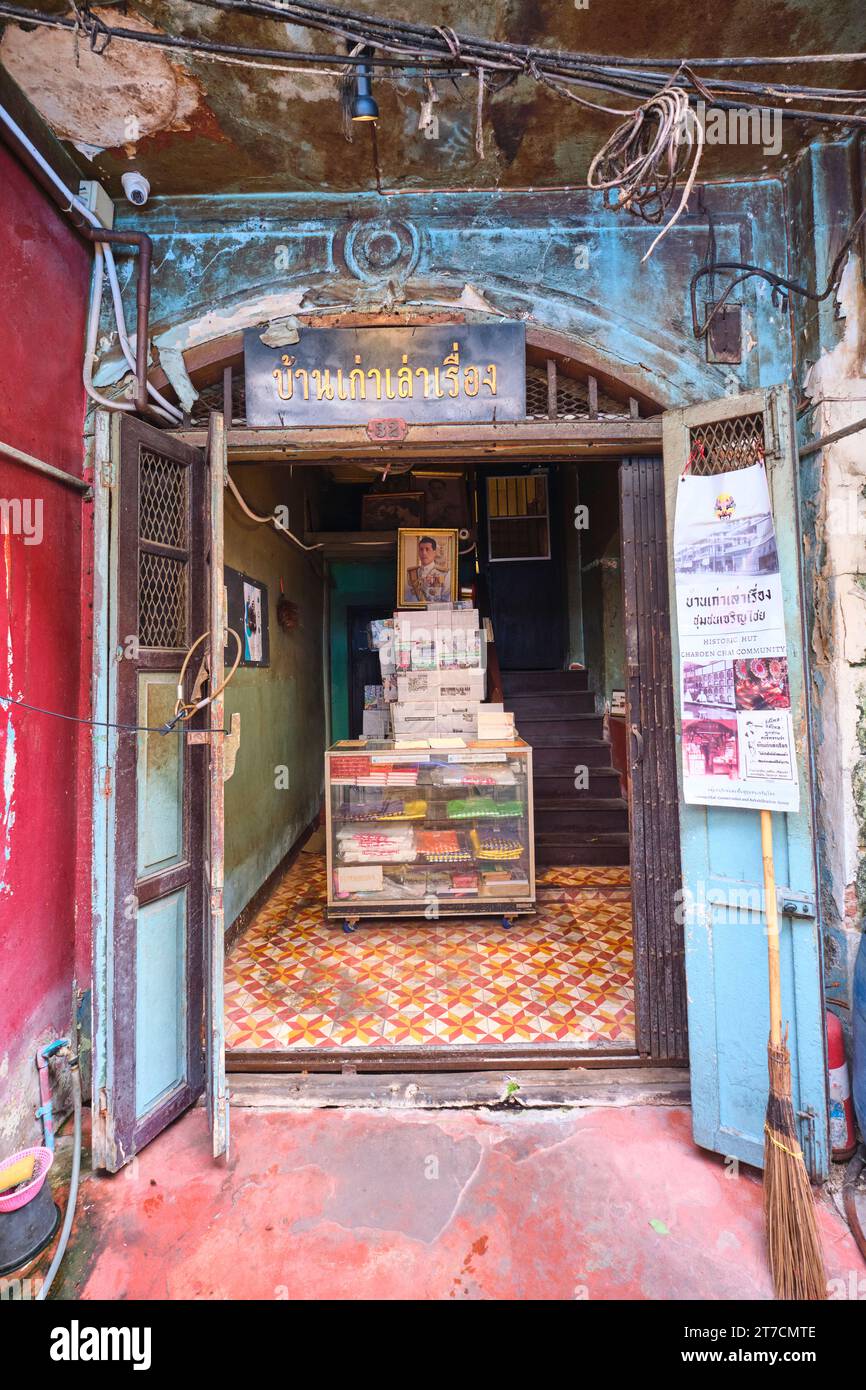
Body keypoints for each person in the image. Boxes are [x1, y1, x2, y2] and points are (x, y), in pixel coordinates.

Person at [406, 535, 451, 603]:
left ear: (434, 552)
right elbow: (407, 599)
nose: (424, 553)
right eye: (421, 549)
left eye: (427, 549)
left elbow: (447, 601)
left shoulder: (445, 573)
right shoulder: (411, 572)